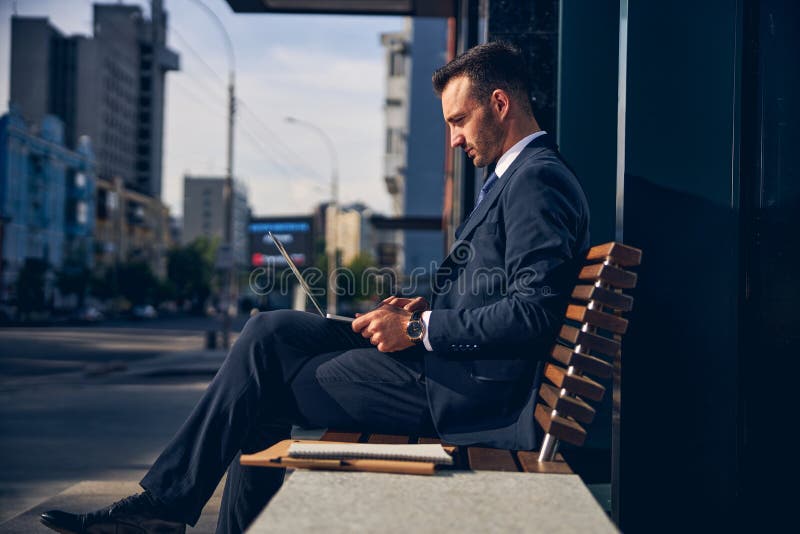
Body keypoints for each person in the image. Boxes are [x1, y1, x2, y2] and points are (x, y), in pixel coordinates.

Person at [40, 41, 589, 534]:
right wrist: (425, 304)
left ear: (499, 103)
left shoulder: (535, 179)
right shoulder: (517, 177)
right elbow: (503, 290)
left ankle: (161, 507)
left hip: (465, 393)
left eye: (459, 120)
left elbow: (532, 312)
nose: (453, 139)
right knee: (269, 329)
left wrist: (419, 326)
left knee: (263, 388)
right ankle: (162, 505)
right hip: (451, 369)